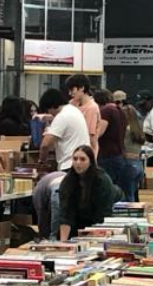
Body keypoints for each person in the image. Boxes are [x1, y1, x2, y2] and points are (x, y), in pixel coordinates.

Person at [37, 88, 90, 239]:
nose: (50, 114)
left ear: (52, 106)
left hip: (69, 167)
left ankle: (56, 238)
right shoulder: (74, 111)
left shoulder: (62, 116)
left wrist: (41, 161)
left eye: (49, 111)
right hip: (82, 164)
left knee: (62, 208)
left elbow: (46, 144)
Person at [58, 145, 124, 240]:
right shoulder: (68, 181)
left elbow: (103, 215)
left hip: (109, 209)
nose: (78, 163)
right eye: (75, 159)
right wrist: (62, 243)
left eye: (82, 159)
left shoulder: (102, 180)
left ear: (90, 162)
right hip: (82, 215)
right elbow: (65, 214)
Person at [93, 89, 127, 189]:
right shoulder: (119, 110)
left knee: (106, 187)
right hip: (118, 154)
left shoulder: (106, 110)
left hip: (107, 156)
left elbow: (99, 132)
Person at [65, 74, 101, 157]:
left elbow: (89, 136)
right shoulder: (72, 103)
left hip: (86, 154)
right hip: (72, 150)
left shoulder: (92, 108)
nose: (70, 93)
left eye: (72, 90)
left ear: (81, 88)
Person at [121, 103, 146, 201]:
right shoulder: (138, 130)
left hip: (128, 164)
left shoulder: (125, 130)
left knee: (127, 196)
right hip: (138, 165)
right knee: (132, 194)